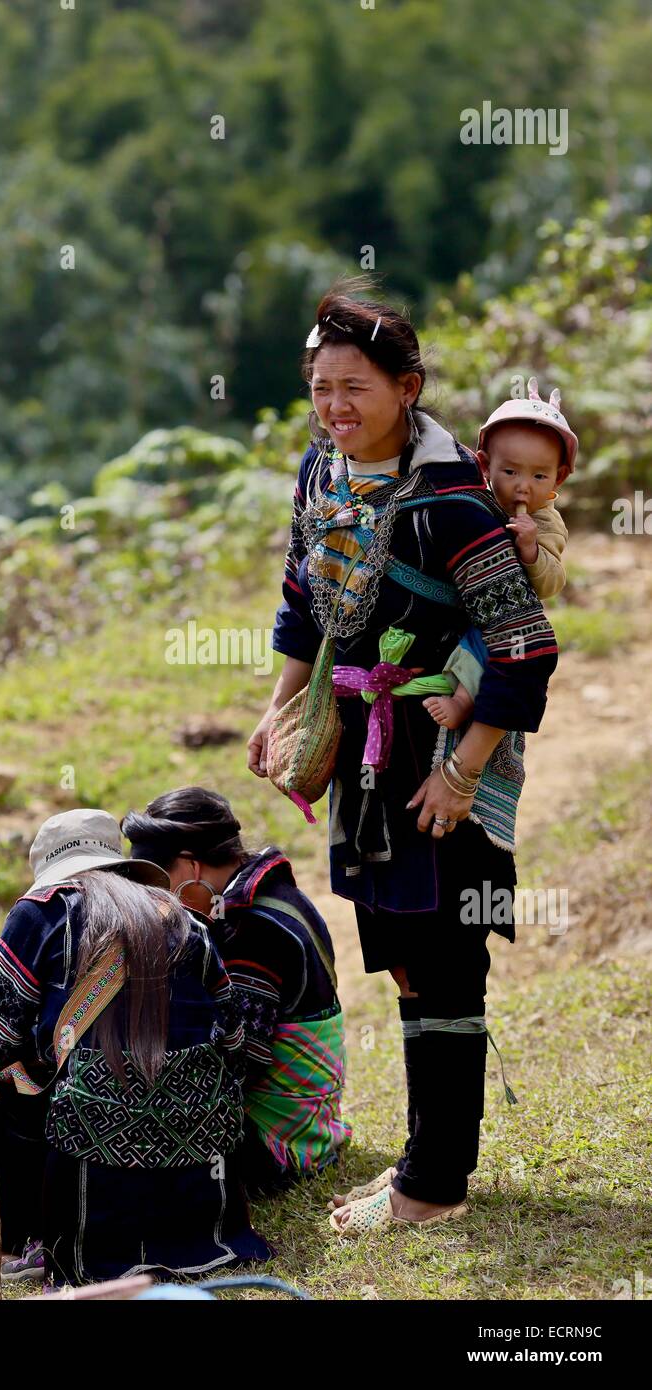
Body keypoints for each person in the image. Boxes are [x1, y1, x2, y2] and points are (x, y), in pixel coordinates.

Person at [247, 277, 559, 1235]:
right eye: (321, 390)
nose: (336, 409)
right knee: (407, 960)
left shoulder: (452, 502)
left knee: (448, 954)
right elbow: (304, 596)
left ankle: (432, 1185)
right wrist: (280, 706)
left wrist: (461, 771)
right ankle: (427, 1169)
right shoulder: (322, 475)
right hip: (363, 754)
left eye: (358, 390)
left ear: (409, 387)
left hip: (438, 758)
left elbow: (522, 644)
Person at [0, 808, 271, 1284]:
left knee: (8, 1093)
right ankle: (201, 1238)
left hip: (96, 1160)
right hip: (202, 1144)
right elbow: (232, 1039)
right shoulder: (185, 920)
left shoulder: (41, 914)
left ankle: (36, 1241)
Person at [121, 786, 351, 1195]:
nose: (151, 899)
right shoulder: (274, 894)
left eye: (156, 882)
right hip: (312, 1129)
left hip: (276, 1147)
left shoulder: (252, 929)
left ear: (191, 869)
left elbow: (236, 1066)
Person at [424, 377, 575, 730]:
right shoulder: (476, 502)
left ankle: (462, 701)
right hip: (461, 604)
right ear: (484, 465)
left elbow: (553, 581)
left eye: (540, 476)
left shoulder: (546, 524)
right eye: (510, 472)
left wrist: (531, 550)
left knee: (489, 645)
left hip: (506, 616)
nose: (523, 485)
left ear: (560, 478)